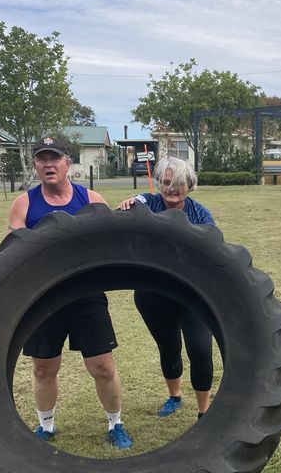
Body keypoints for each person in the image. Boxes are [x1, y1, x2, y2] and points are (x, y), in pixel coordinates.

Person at [6, 135, 133, 449]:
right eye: (41, 158)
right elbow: (15, 254)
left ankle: (115, 424)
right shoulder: (25, 204)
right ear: (36, 164)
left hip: (86, 296)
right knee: (43, 367)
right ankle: (46, 427)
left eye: (55, 158)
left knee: (103, 366)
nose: (48, 164)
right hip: (43, 299)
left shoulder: (90, 198)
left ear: (68, 163)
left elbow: (111, 242)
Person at [117, 157, 216, 420]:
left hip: (192, 295)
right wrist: (129, 204)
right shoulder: (147, 204)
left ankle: (204, 411)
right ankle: (174, 396)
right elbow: (133, 204)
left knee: (200, 348)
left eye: (178, 183)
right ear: (158, 183)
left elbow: (213, 254)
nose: (172, 188)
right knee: (169, 347)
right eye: (166, 182)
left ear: (189, 184)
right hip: (153, 296)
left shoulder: (201, 215)